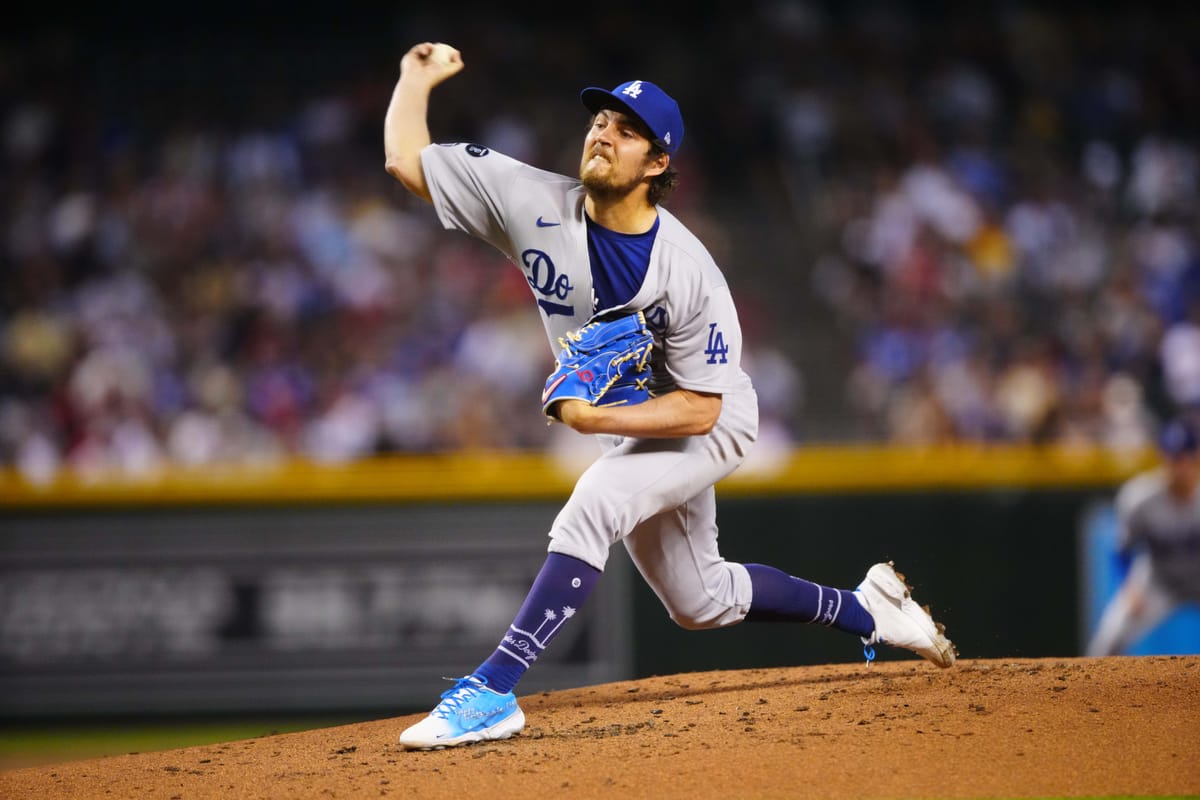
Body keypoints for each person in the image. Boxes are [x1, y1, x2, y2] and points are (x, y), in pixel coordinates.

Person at [383, 41, 957, 750]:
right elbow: (407, 162)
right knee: (700, 600)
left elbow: (703, 408)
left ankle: (492, 691)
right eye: (601, 120)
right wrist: (415, 79)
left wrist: (596, 416)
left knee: (594, 505)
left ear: (658, 164)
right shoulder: (527, 196)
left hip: (707, 418)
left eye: (628, 131)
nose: (603, 133)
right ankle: (867, 610)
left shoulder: (688, 271)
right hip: (640, 422)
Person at [1086, 416, 1200, 656]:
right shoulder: (1140, 497)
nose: (1178, 466)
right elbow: (1121, 550)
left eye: (1185, 457)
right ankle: (1089, 691)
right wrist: (1127, 585)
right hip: (1159, 581)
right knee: (1110, 637)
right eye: (1172, 457)